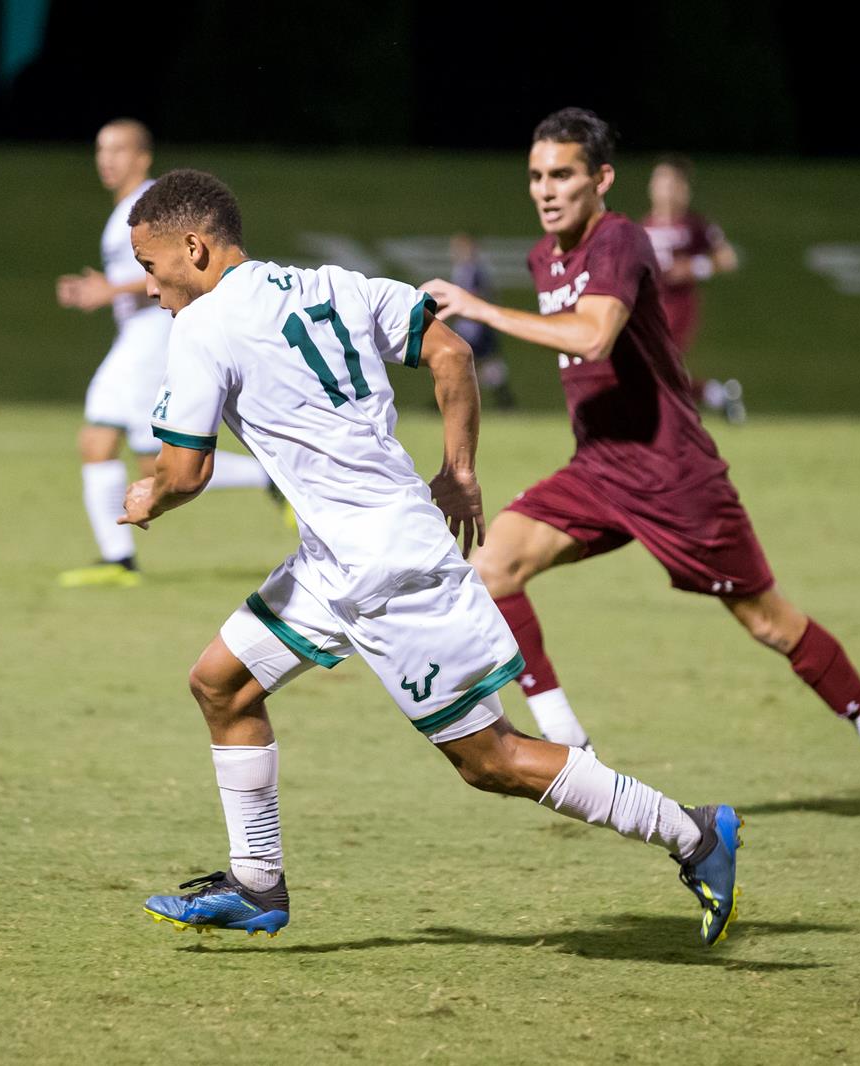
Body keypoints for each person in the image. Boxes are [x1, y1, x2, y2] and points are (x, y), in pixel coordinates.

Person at [119, 168, 743, 947]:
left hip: (390, 572)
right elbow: (449, 353)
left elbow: (187, 472)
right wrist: (459, 470)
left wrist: (150, 495)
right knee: (221, 681)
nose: (148, 287)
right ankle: (256, 883)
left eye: (150, 266)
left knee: (492, 761)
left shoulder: (203, 328)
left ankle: (694, 833)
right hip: (336, 560)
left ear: (194, 246)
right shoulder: (335, 285)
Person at [422, 108, 860, 830]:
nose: (547, 189)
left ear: (601, 179)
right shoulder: (543, 258)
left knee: (769, 622)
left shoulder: (619, 239)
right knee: (492, 568)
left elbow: (594, 339)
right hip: (598, 469)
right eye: (536, 176)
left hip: (673, 475)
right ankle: (568, 741)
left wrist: (480, 310)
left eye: (562, 174)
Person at [56, 119, 274, 588]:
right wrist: (102, 290)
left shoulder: (151, 204)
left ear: (142, 157)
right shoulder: (123, 212)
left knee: (112, 444)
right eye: (100, 150)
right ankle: (120, 558)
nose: (106, 160)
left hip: (152, 334)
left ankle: (119, 560)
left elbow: (174, 262)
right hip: (135, 335)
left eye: (118, 150)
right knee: (130, 454)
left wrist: (109, 288)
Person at [642, 155, 743, 422]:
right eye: (658, 181)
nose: (661, 188)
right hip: (649, 307)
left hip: (679, 305)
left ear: (682, 189)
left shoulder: (694, 225)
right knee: (655, 370)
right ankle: (716, 395)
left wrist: (694, 267)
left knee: (658, 366)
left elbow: (728, 258)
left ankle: (670, 424)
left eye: (668, 182)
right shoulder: (644, 226)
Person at [449, 234, 515, 410]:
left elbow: (484, 294)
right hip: (468, 326)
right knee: (476, 363)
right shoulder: (462, 269)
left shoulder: (475, 270)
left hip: (475, 327)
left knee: (469, 363)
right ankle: (505, 400)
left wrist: (465, 305)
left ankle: (504, 399)